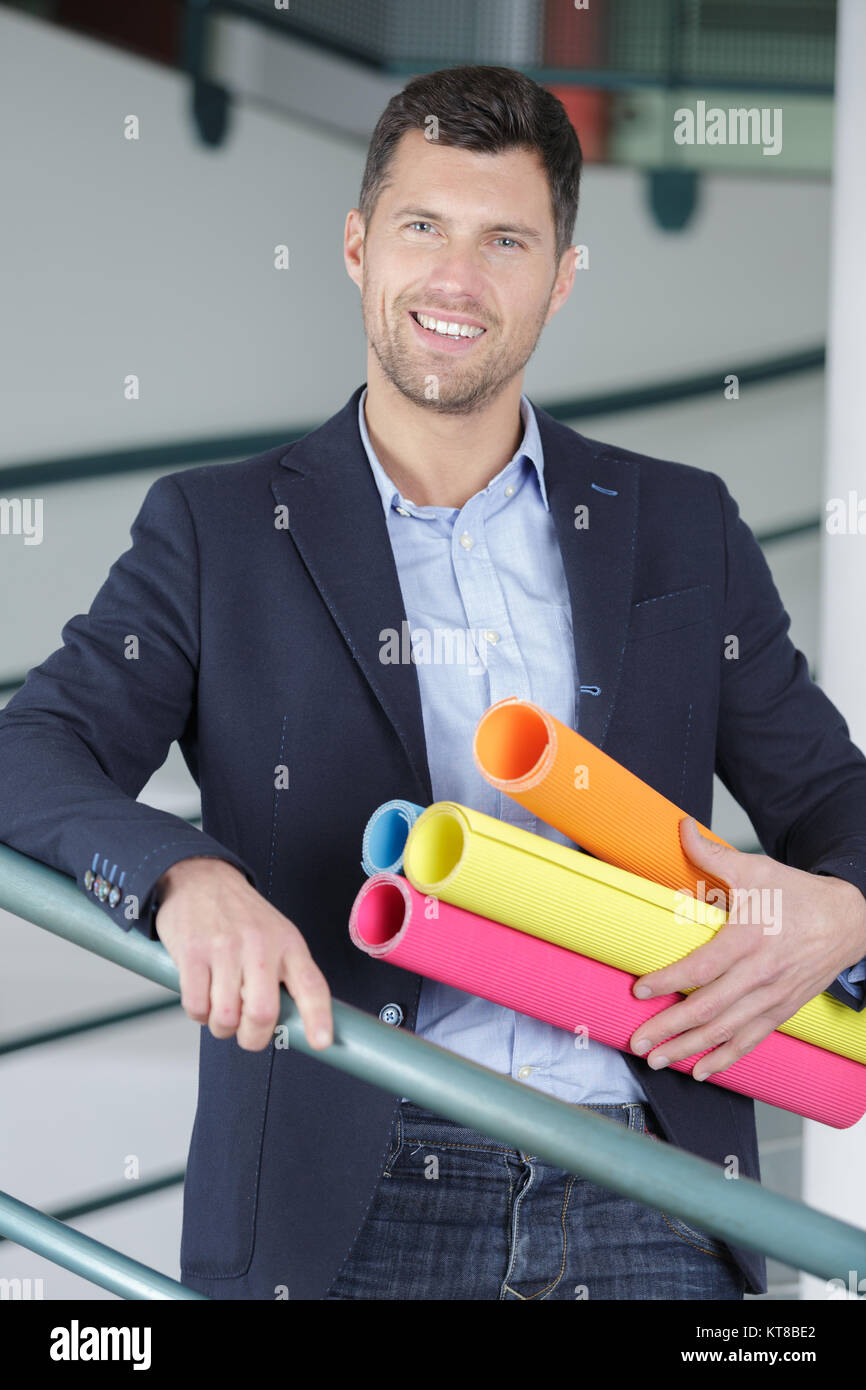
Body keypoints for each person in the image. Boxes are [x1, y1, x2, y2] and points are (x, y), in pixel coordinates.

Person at [2, 65, 865, 1302]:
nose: (456, 281)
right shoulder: (218, 530)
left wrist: (844, 911)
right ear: (358, 246)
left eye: (504, 240)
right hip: (353, 1186)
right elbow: (29, 753)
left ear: (560, 278)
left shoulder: (682, 527)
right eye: (423, 228)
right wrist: (186, 877)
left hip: (646, 1192)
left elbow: (834, 799)